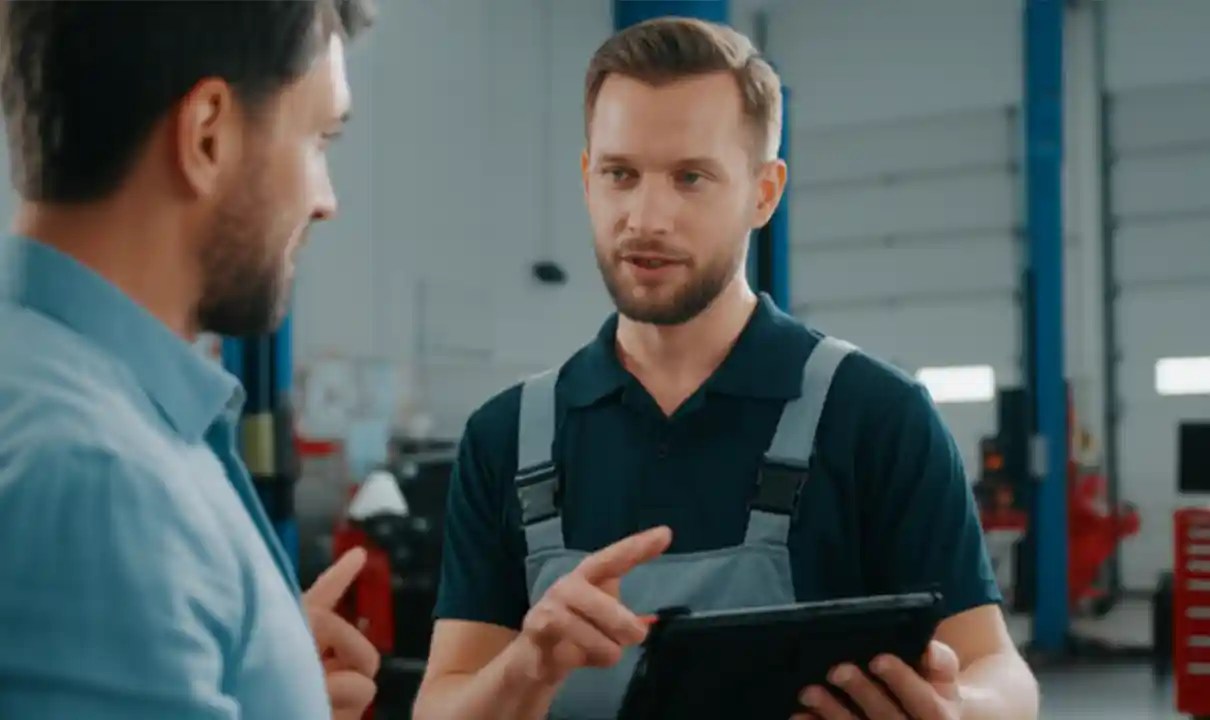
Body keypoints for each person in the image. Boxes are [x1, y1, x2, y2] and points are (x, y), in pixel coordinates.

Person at [414, 16, 1040, 720]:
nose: (646, 217)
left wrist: (961, 710)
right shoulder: (506, 439)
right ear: (588, 178)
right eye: (620, 174)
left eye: (691, 178)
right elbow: (442, 701)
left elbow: (999, 670)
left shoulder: (877, 417)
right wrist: (524, 669)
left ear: (764, 193)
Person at [0, 2, 380, 719]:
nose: (325, 201)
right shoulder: (98, 480)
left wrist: (260, 672)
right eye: (320, 140)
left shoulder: (62, 397)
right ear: (207, 134)